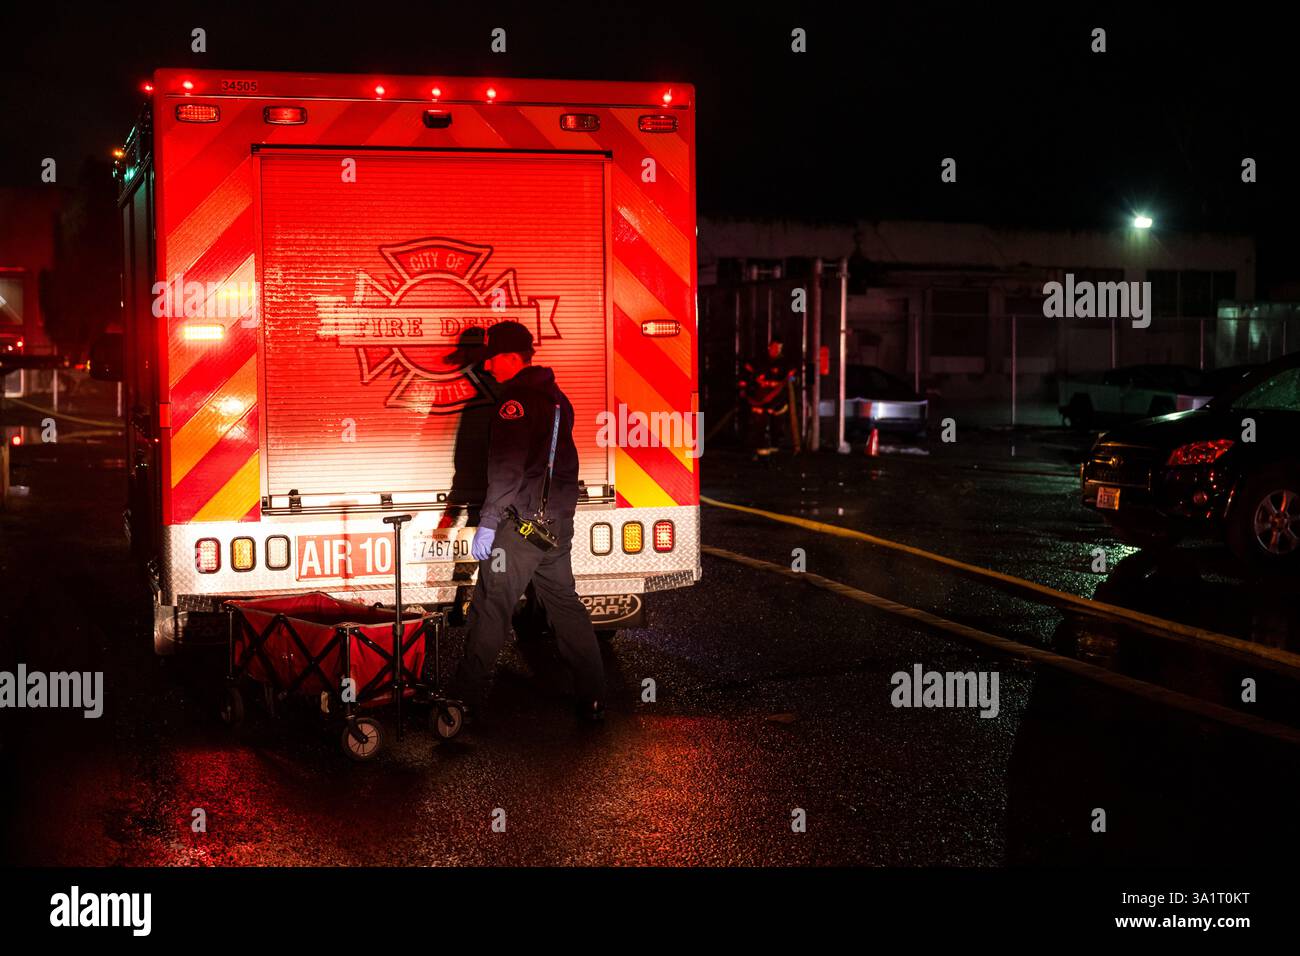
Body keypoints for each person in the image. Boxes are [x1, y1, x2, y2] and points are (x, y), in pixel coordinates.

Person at [450, 320, 606, 724]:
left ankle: (460, 700)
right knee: (565, 606)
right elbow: (564, 466)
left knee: (491, 606)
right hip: (554, 527)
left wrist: (487, 521)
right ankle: (591, 695)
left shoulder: (514, 403)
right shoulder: (556, 399)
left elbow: (507, 470)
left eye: (491, 360)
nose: (486, 368)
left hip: (519, 529)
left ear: (511, 358)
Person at [739, 338, 796, 453]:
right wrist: (743, 388)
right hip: (759, 398)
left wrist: (790, 380)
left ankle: (775, 445)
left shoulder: (785, 363)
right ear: (769, 347)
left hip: (778, 399)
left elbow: (793, 377)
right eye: (774, 347)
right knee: (759, 422)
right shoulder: (759, 361)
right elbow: (745, 373)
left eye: (779, 348)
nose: (776, 350)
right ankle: (760, 446)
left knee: (777, 423)